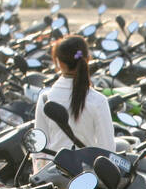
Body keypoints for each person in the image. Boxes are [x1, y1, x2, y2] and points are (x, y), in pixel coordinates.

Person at [33, 35, 115, 168]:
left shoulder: (45, 99)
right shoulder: (98, 101)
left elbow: (39, 148)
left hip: (53, 177)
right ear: (87, 59)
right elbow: (108, 150)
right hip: (87, 178)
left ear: (58, 62)